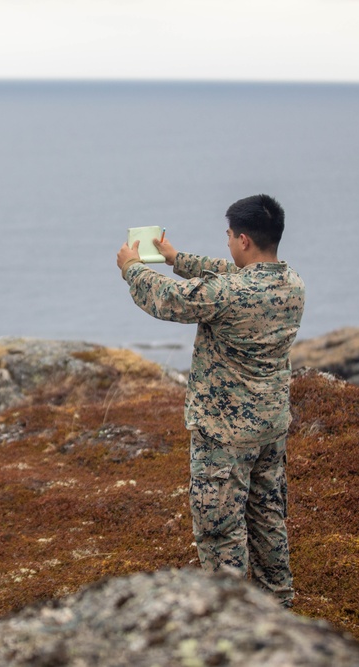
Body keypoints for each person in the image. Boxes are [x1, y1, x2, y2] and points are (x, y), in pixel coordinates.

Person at [115, 194, 305, 607]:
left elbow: (168, 300)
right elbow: (228, 275)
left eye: (229, 239)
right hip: (270, 427)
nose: (227, 247)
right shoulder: (292, 284)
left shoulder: (228, 294)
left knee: (221, 532)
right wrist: (176, 257)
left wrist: (132, 268)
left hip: (224, 434)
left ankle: (232, 618)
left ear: (242, 240)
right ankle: (280, 607)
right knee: (268, 520)